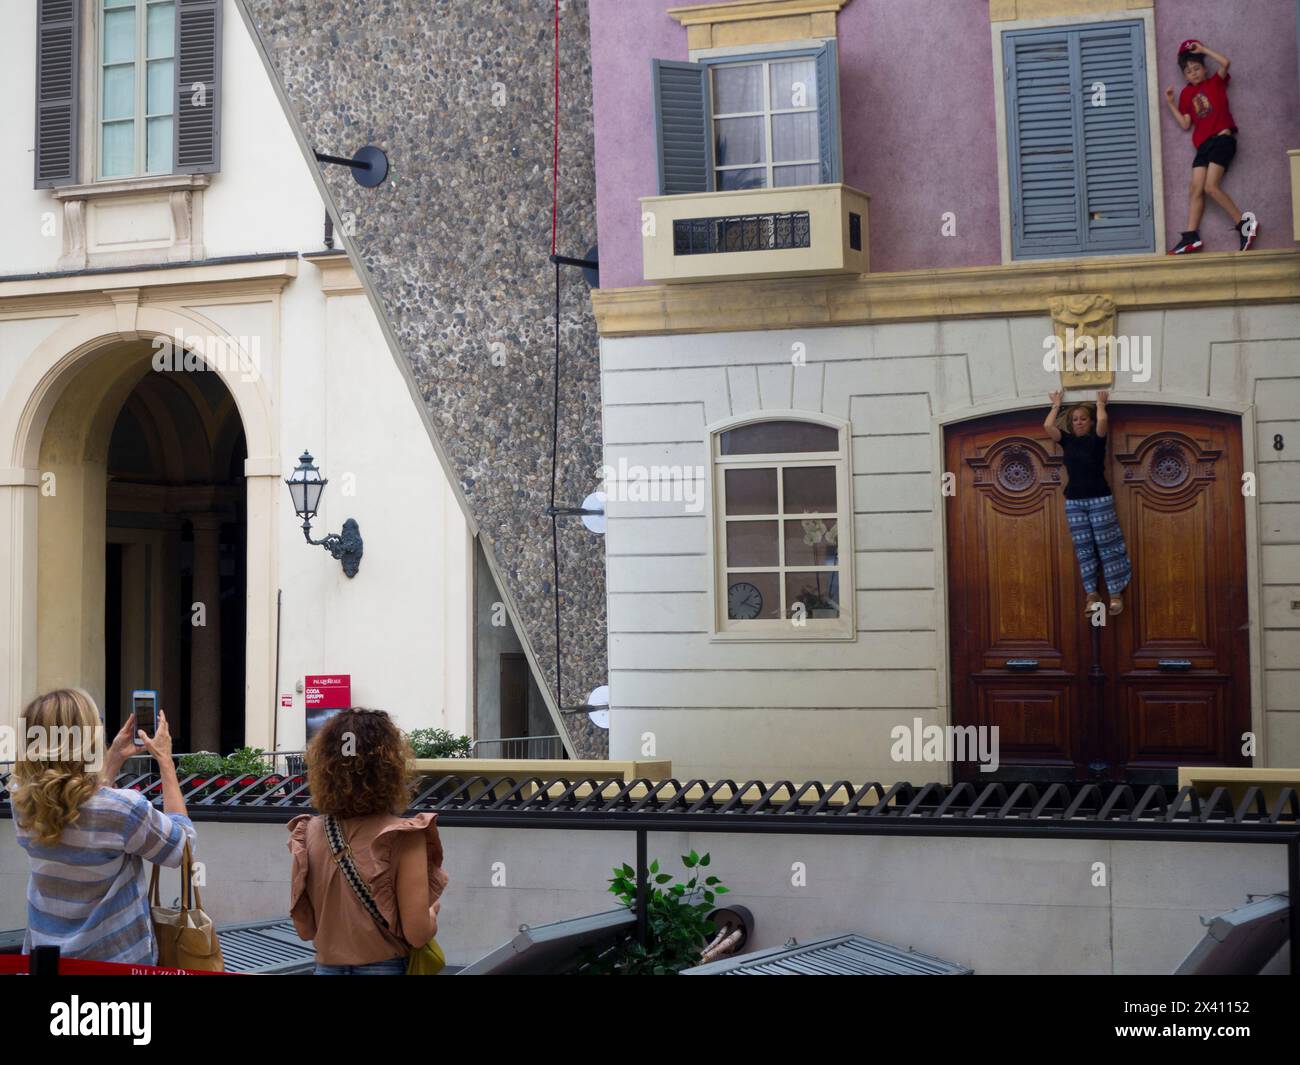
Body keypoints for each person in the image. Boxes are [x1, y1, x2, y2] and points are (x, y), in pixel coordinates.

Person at [11, 688, 194, 964]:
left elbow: (79, 806)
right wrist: (165, 761)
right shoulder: (124, 809)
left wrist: (113, 759)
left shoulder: (22, 803)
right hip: (112, 965)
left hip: (46, 960)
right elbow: (183, 848)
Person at [288, 708, 449, 975]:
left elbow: (305, 929)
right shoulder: (403, 836)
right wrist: (431, 914)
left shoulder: (308, 832)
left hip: (326, 968)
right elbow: (417, 934)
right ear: (390, 769)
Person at [1163, 39, 1257, 254]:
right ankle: (1191, 237)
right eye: (1188, 71)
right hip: (1203, 146)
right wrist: (1170, 103)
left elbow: (1225, 62)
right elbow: (1186, 124)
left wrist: (1203, 49)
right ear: (1184, 75)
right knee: (1195, 189)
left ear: (1205, 69)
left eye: (1197, 68)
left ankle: (1244, 223)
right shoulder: (1186, 94)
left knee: (1210, 187)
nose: (1193, 73)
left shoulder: (1215, 82)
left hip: (1222, 140)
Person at [1044, 391, 1132, 616]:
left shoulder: (1097, 439)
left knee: (1107, 545)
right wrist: (1056, 405)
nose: (1079, 422)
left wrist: (1100, 404)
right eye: (1075, 419)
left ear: (1090, 422)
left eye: (1083, 418)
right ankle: (1091, 595)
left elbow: (1103, 421)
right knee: (1084, 549)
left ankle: (1114, 594)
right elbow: (1047, 427)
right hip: (1074, 502)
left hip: (1100, 499)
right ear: (1071, 424)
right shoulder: (1067, 441)